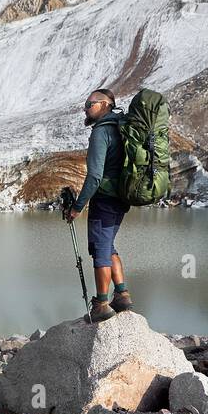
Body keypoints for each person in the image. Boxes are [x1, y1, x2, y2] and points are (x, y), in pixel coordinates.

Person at [62, 88, 133, 323]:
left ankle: (102, 304)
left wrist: (77, 207)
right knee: (108, 245)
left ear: (105, 105)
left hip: (104, 199)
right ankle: (121, 294)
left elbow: (94, 176)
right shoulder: (120, 127)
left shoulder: (101, 133)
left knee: (100, 250)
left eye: (89, 104)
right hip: (121, 198)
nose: (85, 108)